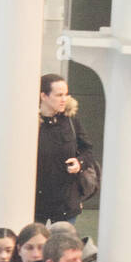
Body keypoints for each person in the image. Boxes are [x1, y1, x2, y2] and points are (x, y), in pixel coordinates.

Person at [35, 73, 96, 225]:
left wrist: (79, 163)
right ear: (44, 96)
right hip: (36, 204)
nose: (64, 99)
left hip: (66, 203)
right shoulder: (31, 122)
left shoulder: (70, 120)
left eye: (66, 94)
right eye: (59, 95)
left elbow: (88, 150)